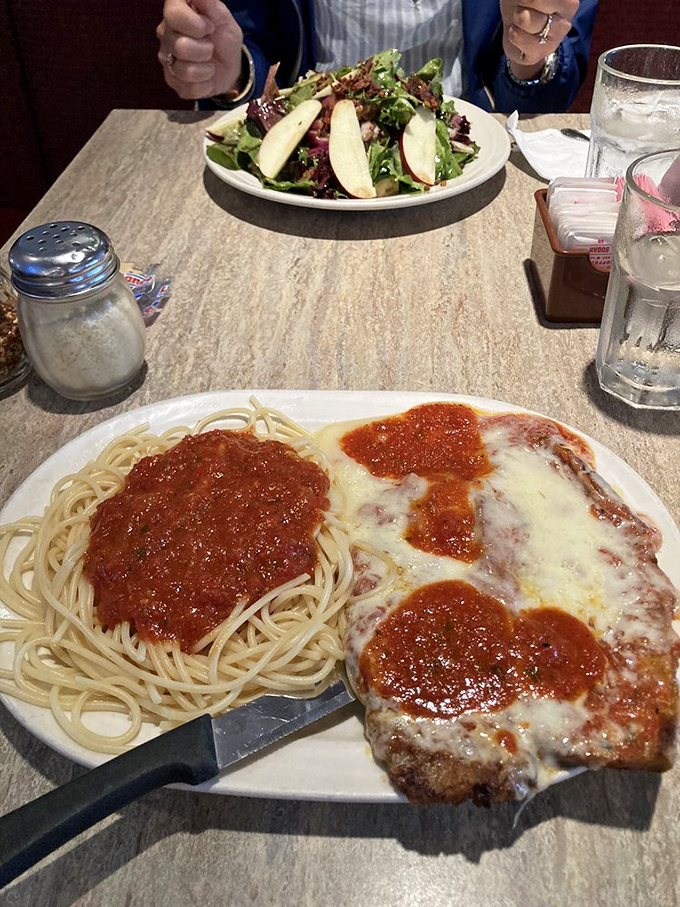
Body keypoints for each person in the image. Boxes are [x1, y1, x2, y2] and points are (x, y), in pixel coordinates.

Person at [157, 0, 598, 113]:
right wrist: (230, 72)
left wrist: (528, 59)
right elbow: (247, 33)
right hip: (309, 146)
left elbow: (546, 100)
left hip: (469, 143)